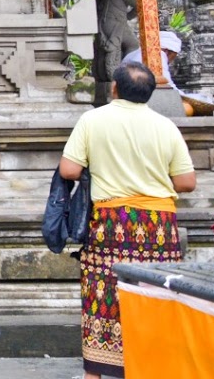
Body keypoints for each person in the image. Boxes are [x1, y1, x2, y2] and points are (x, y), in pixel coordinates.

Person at [59, 60, 196, 379]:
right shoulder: (166, 126)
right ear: (149, 93)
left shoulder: (93, 119)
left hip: (112, 220)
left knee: (103, 293)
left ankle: (95, 373)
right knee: (156, 292)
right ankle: (153, 366)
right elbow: (187, 182)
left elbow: (69, 170)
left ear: (114, 89)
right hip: (159, 224)